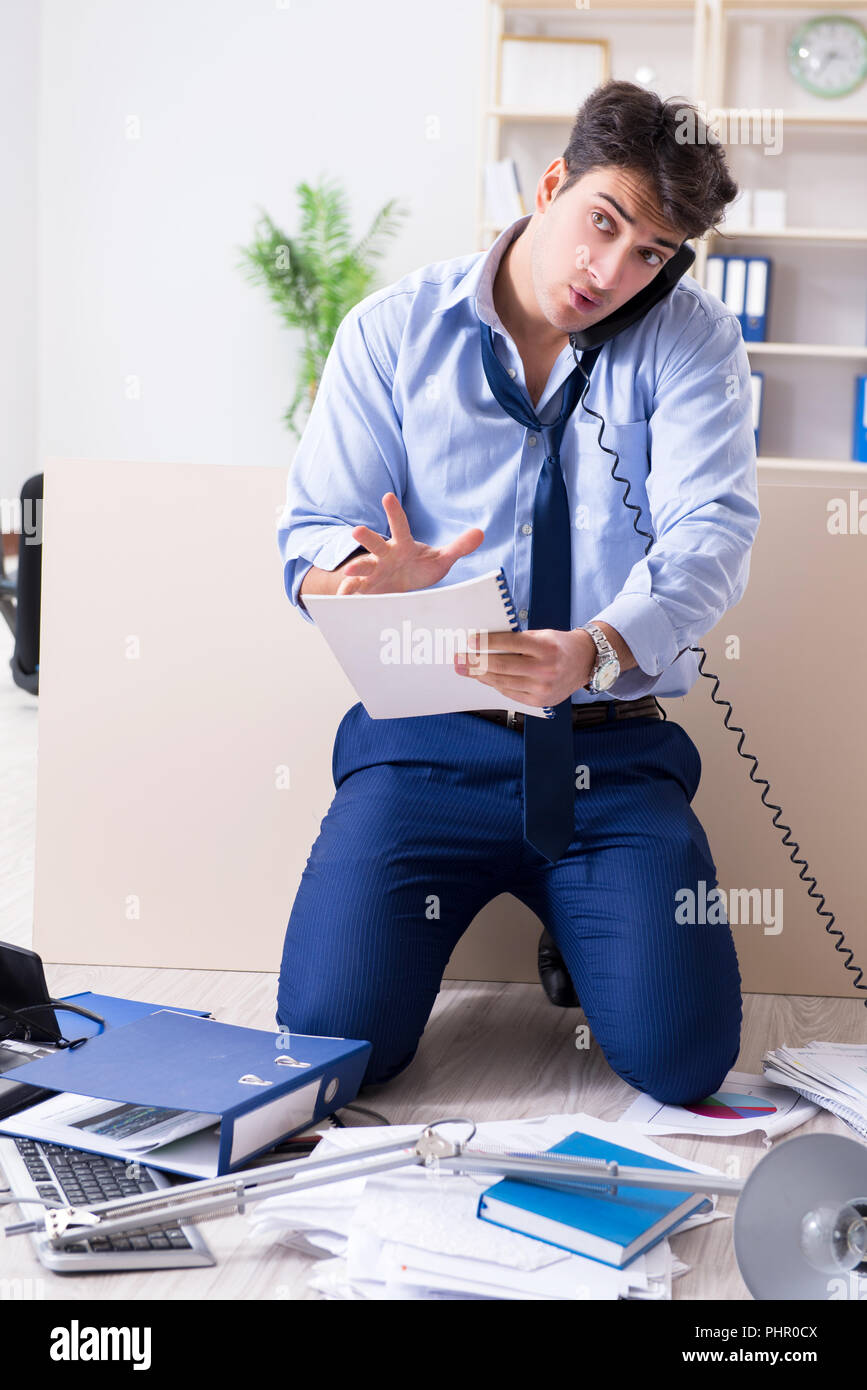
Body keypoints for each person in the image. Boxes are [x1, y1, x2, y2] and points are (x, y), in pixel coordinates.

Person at [274, 79, 760, 1105]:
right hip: (428, 744)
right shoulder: (391, 330)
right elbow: (309, 532)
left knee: (683, 1062)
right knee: (332, 1049)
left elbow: (712, 530)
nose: (613, 271)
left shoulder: (692, 341)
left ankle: (582, 925)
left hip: (608, 748)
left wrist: (600, 644)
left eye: (652, 255)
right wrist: (361, 578)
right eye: (604, 222)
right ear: (553, 183)